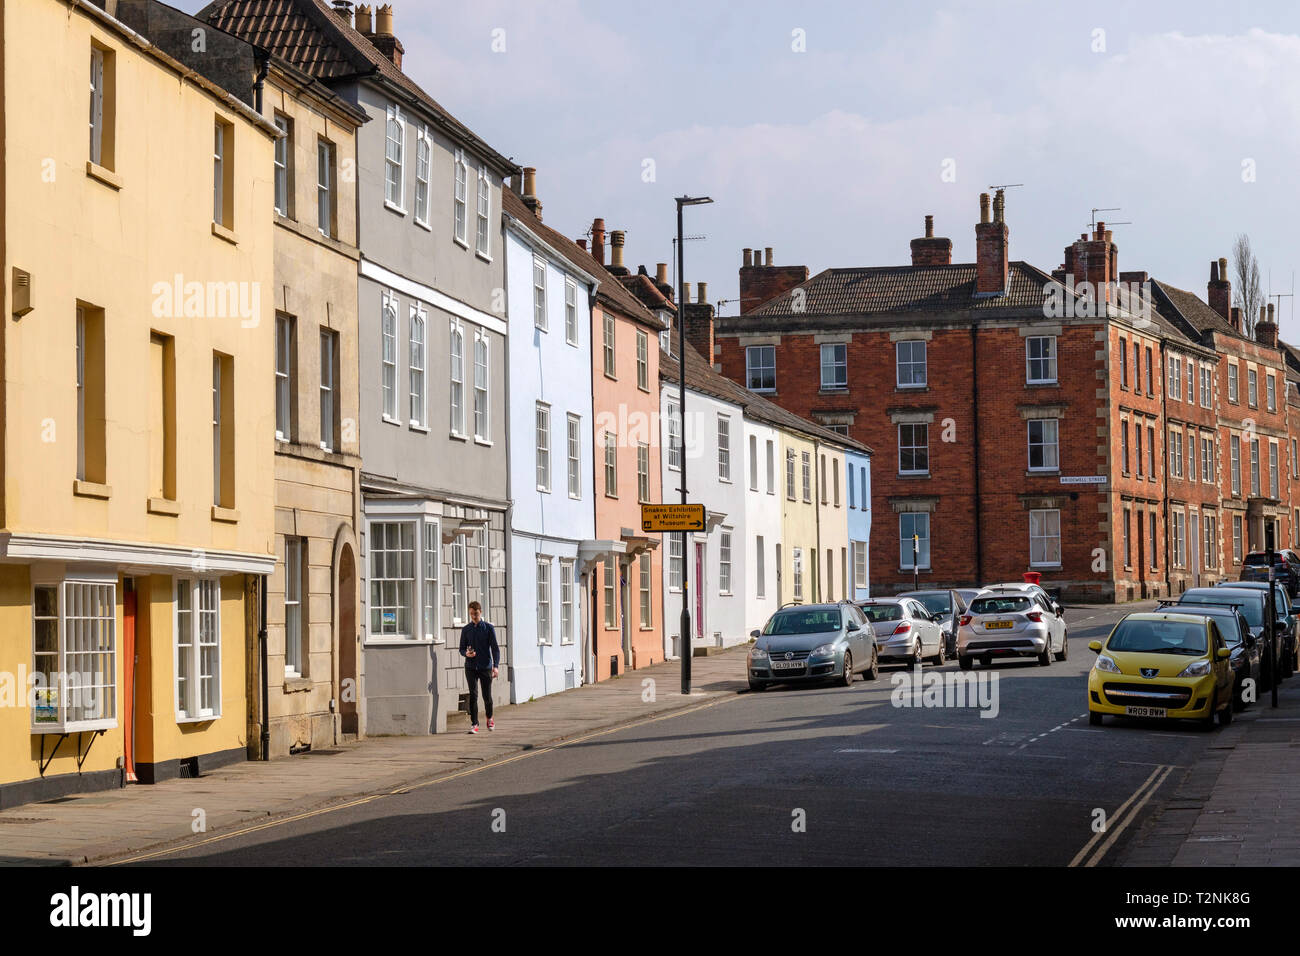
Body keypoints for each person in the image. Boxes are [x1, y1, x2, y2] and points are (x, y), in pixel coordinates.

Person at [459, 601, 499, 733]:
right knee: (473, 695)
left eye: (475, 614)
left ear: (480, 612)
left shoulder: (488, 628)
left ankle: (490, 718)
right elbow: (461, 648)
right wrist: (466, 653)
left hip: (485, 666)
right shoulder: (466, 629)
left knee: (486, 696)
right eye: (471, 614)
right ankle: (474, 723)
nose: (473, 617)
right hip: (470, 667)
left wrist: (496, 666)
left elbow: (495, 649)